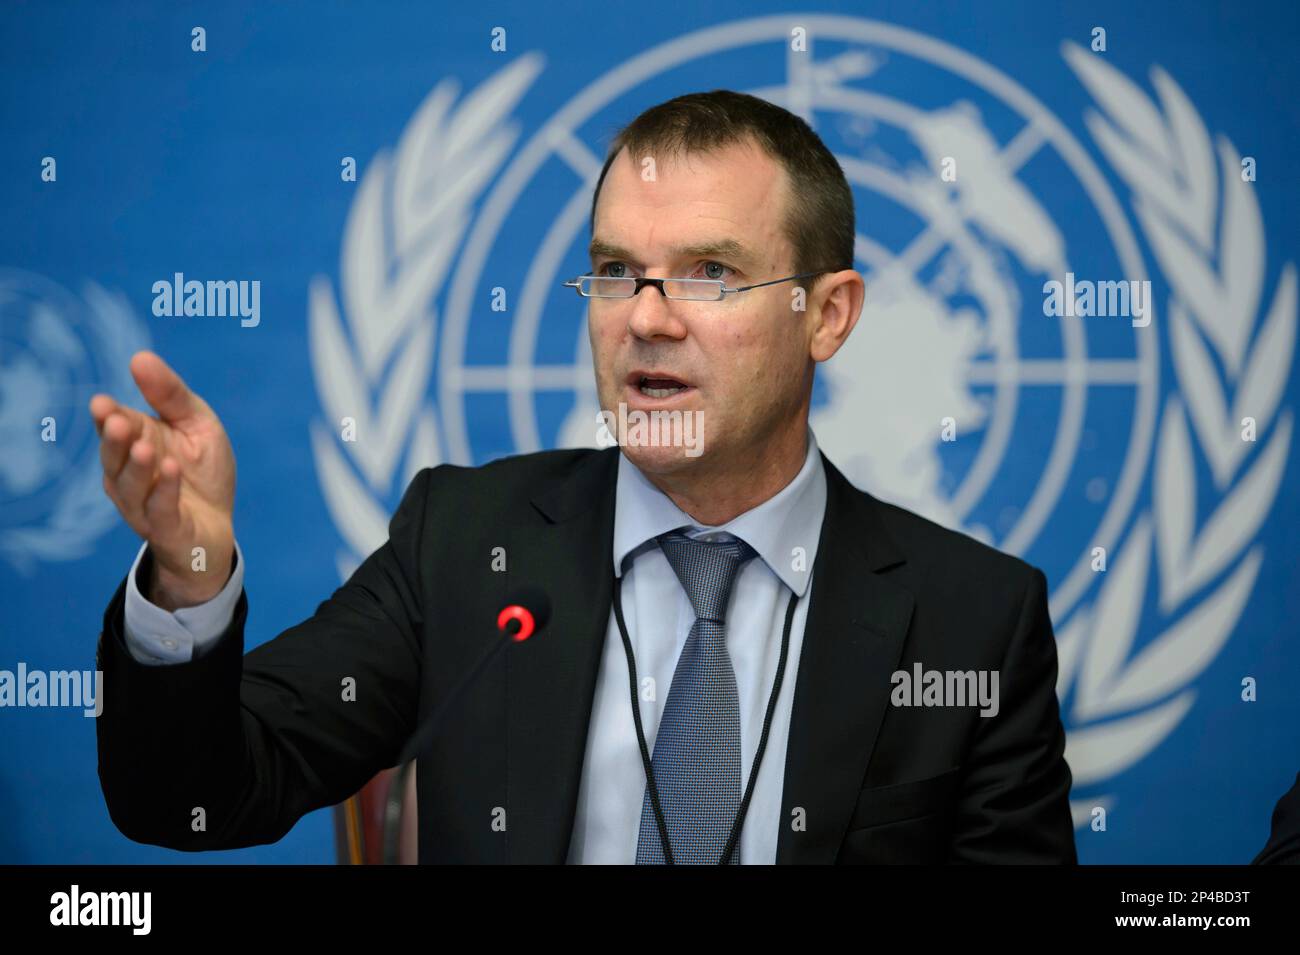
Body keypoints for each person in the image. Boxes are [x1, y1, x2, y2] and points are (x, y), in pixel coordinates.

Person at [90, 90, 1076, 864]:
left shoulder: (969, 618)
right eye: (614, 272)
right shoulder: (466, 542)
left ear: (826, 316)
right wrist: (187, 574)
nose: (645, 318)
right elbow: (195, 799)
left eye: (710, 275)